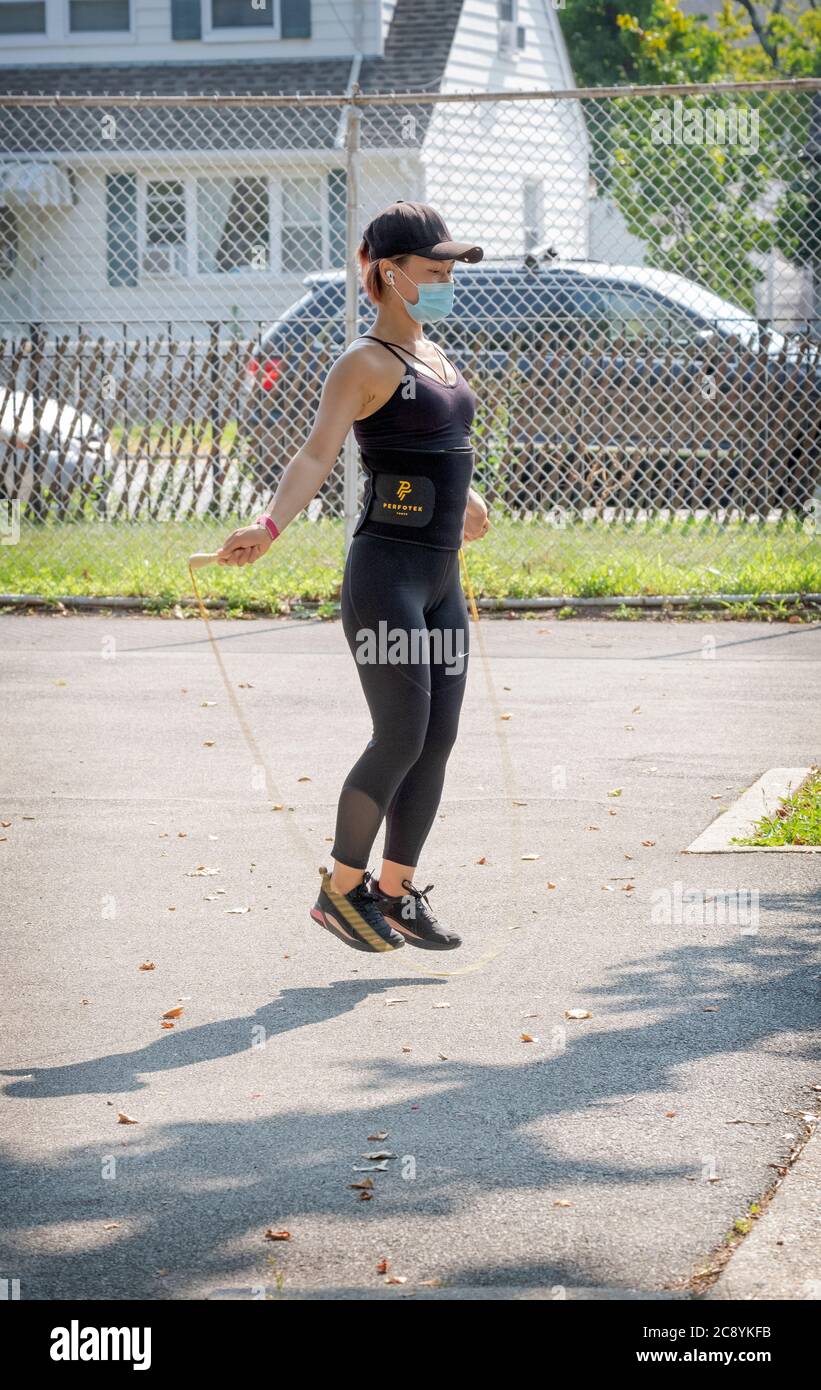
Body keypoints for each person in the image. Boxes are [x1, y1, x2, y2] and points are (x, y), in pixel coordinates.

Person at [217, 200, 490, 954]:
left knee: (437, 738)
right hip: (386, 578)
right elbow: (316, 455)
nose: (444, 281)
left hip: (441, 581)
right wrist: (268, 527)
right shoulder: (362, 364)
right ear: (389, 274)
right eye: (433, 271)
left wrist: (463, 496)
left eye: (449, 270)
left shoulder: (434, 355)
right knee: (399, 733)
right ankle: (342, 889)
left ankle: (396, 894)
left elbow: (436, 442)